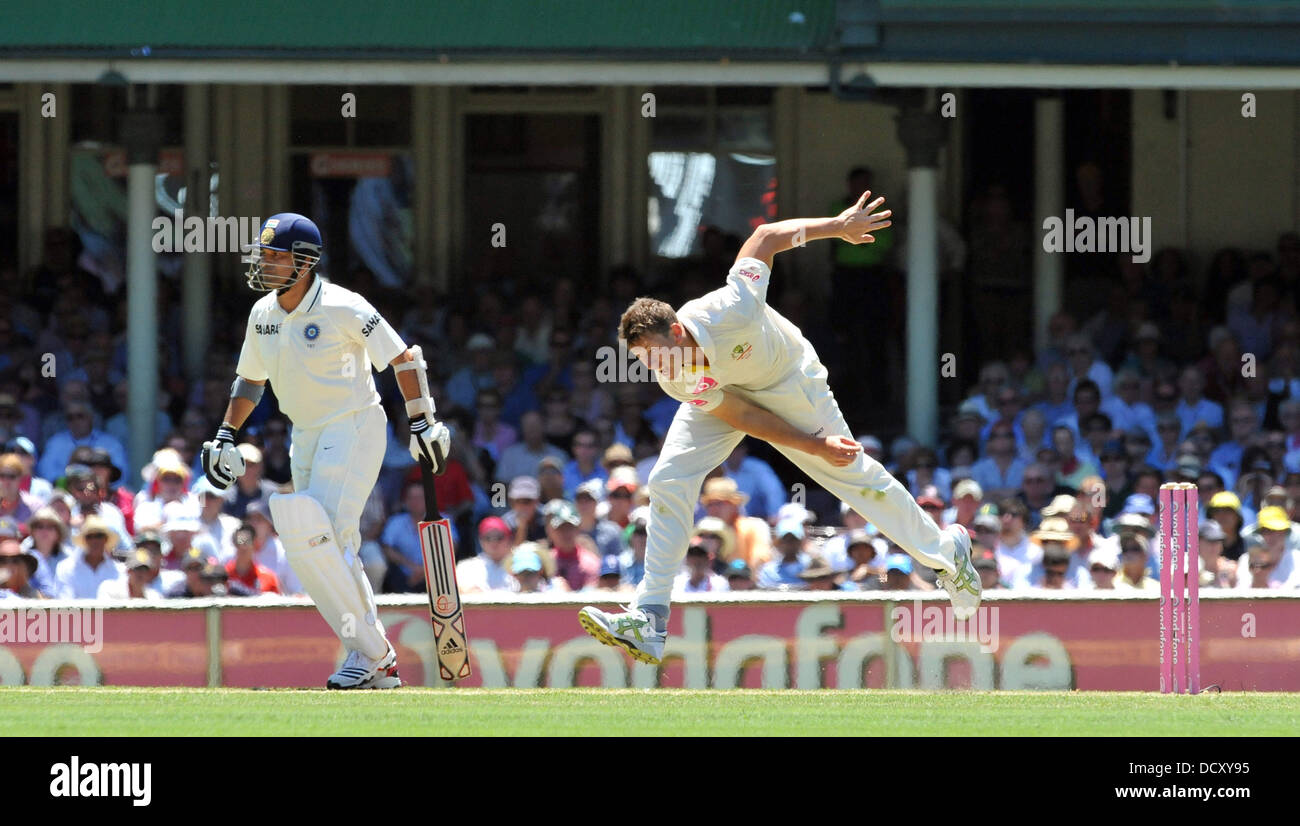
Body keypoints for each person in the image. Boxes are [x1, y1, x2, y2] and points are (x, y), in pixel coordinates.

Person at [200, 213, 451, 689]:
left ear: (305, 262)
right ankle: (371, 657)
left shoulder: (343, 306)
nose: (265, 264)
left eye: (276, 256)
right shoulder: (263, 315)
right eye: (264, 255)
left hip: (353, 424)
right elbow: (250, 381)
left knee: (322, 534)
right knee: (310, 542)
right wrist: (226, 433)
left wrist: (423, 421)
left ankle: (373, 653)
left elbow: (403, 358)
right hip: (306, 432)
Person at [54, 514, 125, 598]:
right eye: (89, 537)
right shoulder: (65, 568)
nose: (94, 541)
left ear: (106, 539)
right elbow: (65, 603)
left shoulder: (119, 571)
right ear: (84, 540)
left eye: (99, 536)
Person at [456, 516, 514, 593]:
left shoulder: (520, 565)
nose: (494, 542)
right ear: (480, 540)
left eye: (499, 537)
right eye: (488, 538)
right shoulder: (466, 567)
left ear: (509, 539)